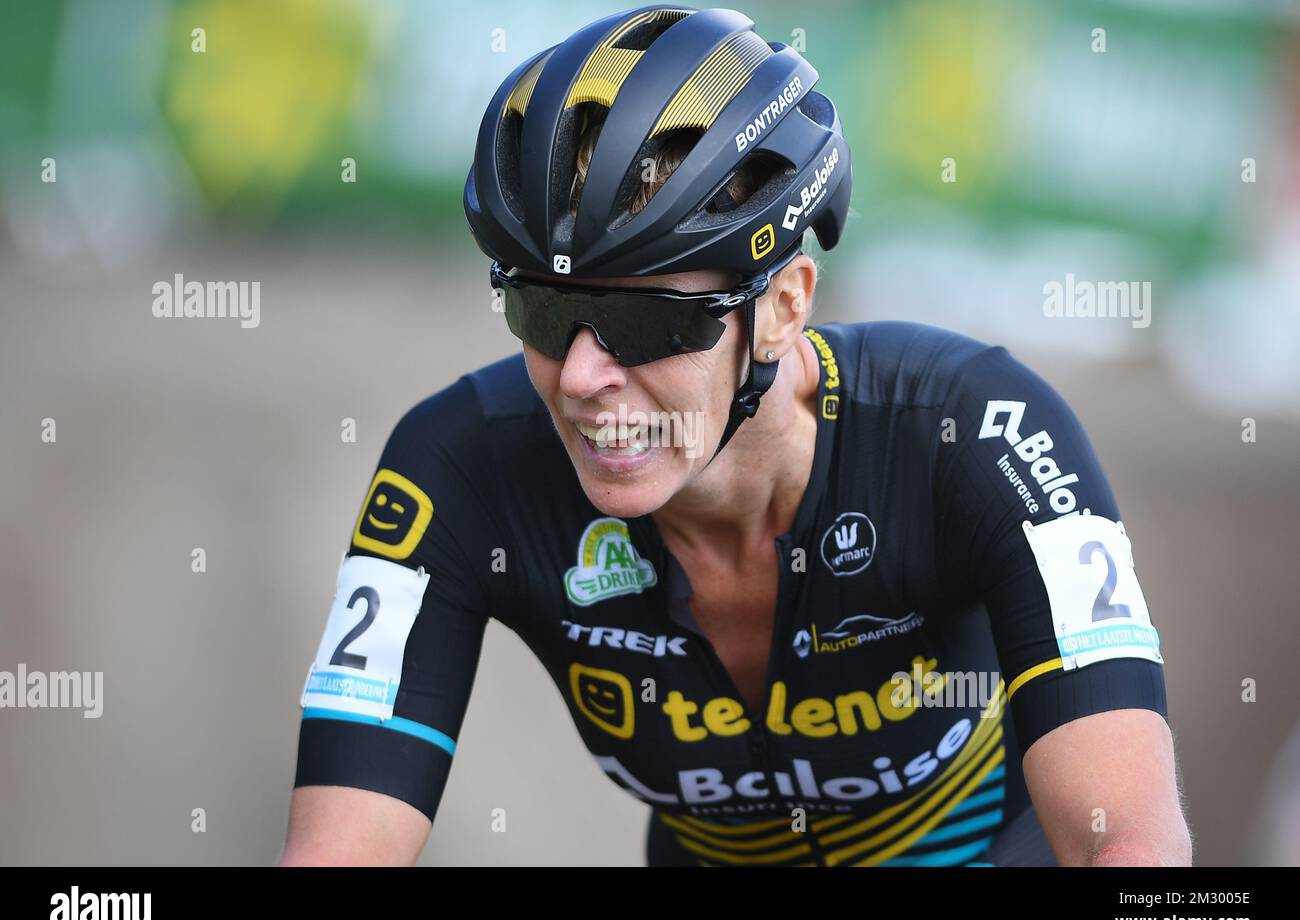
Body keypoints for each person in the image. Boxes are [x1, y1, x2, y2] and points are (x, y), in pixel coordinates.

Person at [279, 4, 1191, 866]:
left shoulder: (978, 431)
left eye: (647, 326)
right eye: (544, 310)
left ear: (785, 306)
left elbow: (1131, 843)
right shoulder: (458, 466)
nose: (586, 376)